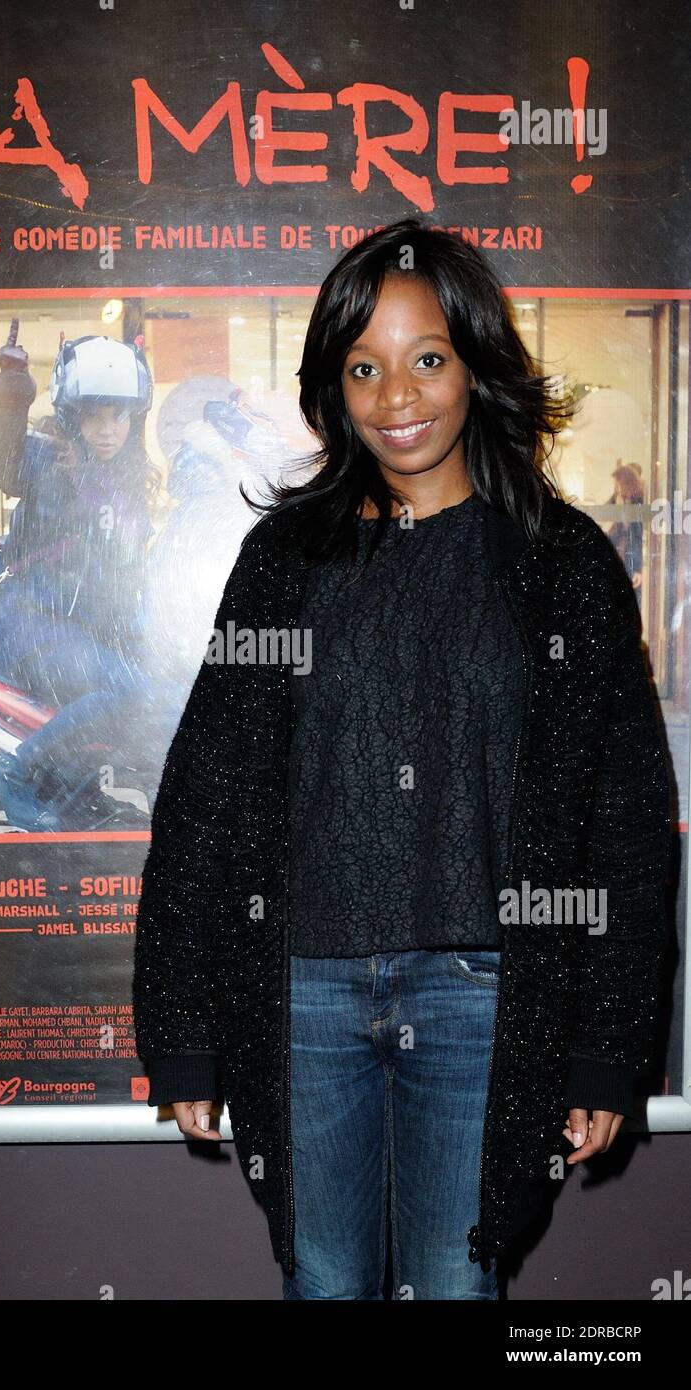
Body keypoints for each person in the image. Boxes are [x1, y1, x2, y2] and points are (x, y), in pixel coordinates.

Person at [131, 218, 673, 1300]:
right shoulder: (282, 562)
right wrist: (184, 1027)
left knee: (452, 1287)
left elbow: (622, 823)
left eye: (426, 357)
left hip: (485, 991)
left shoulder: (561, 567)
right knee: (324, 1283)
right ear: (333, 385)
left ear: (475, 360)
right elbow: (205, 795)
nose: (397, 396)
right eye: (362, 366)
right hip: (302, 993)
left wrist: (608, 1048)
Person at [0, 326, 166, 824]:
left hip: (72, 627)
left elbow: (127, 577)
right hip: (26, 624)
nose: (107, 429)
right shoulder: (46, 460)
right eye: (92, 415)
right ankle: (13, 773)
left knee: (159, 684)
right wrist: (13, 390)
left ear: (134, 418)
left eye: (118, 415)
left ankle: (79, 790)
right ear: (71, 417)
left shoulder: (126, 482)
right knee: (127, 688)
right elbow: (4, 467)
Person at [607, 463, 645, 607]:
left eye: (619, 485)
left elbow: (636, 536)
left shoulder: (636, 504)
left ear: (627, 484)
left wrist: (636, 567)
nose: (618, 489)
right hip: (628, 559)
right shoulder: (627, 502)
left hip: (631, 561)